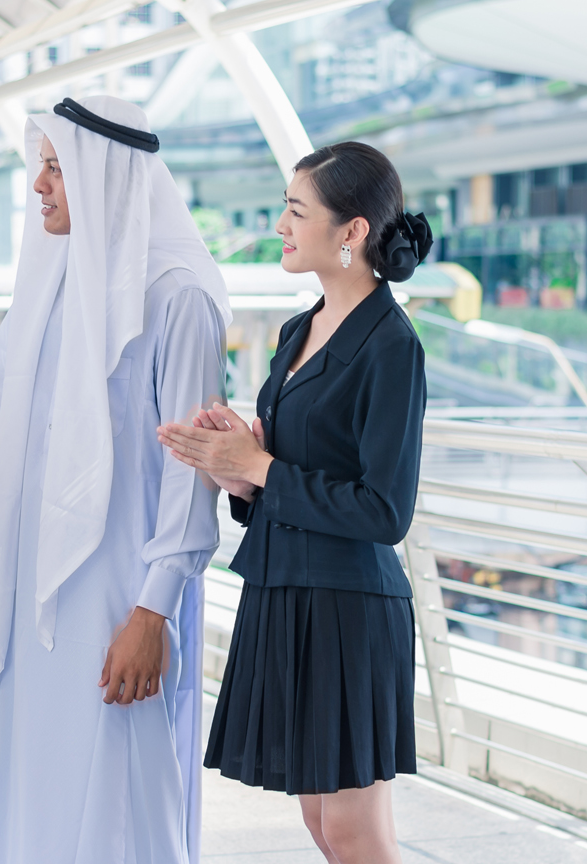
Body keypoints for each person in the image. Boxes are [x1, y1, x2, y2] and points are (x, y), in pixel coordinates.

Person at [0, 96, 229, 864]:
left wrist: (153, 613)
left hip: (122, 598)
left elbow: (197, 468)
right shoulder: (50, 286)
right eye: (40, 166)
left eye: (57, 168)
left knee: (122, 793)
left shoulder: (178, 295)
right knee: (39, 789)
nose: (40, 186)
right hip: (35, 593)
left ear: (106, 175)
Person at [159, 141, 434, 864]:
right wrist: (240, 474)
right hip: (287, 590)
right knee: (320, 824)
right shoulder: (296, 331)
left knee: (352, 830)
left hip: (349, 607)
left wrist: (264, 467)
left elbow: (386, 511)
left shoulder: (392, 346)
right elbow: (290, 471)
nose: (281, 223)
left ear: (352, 233)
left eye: (296, 210)